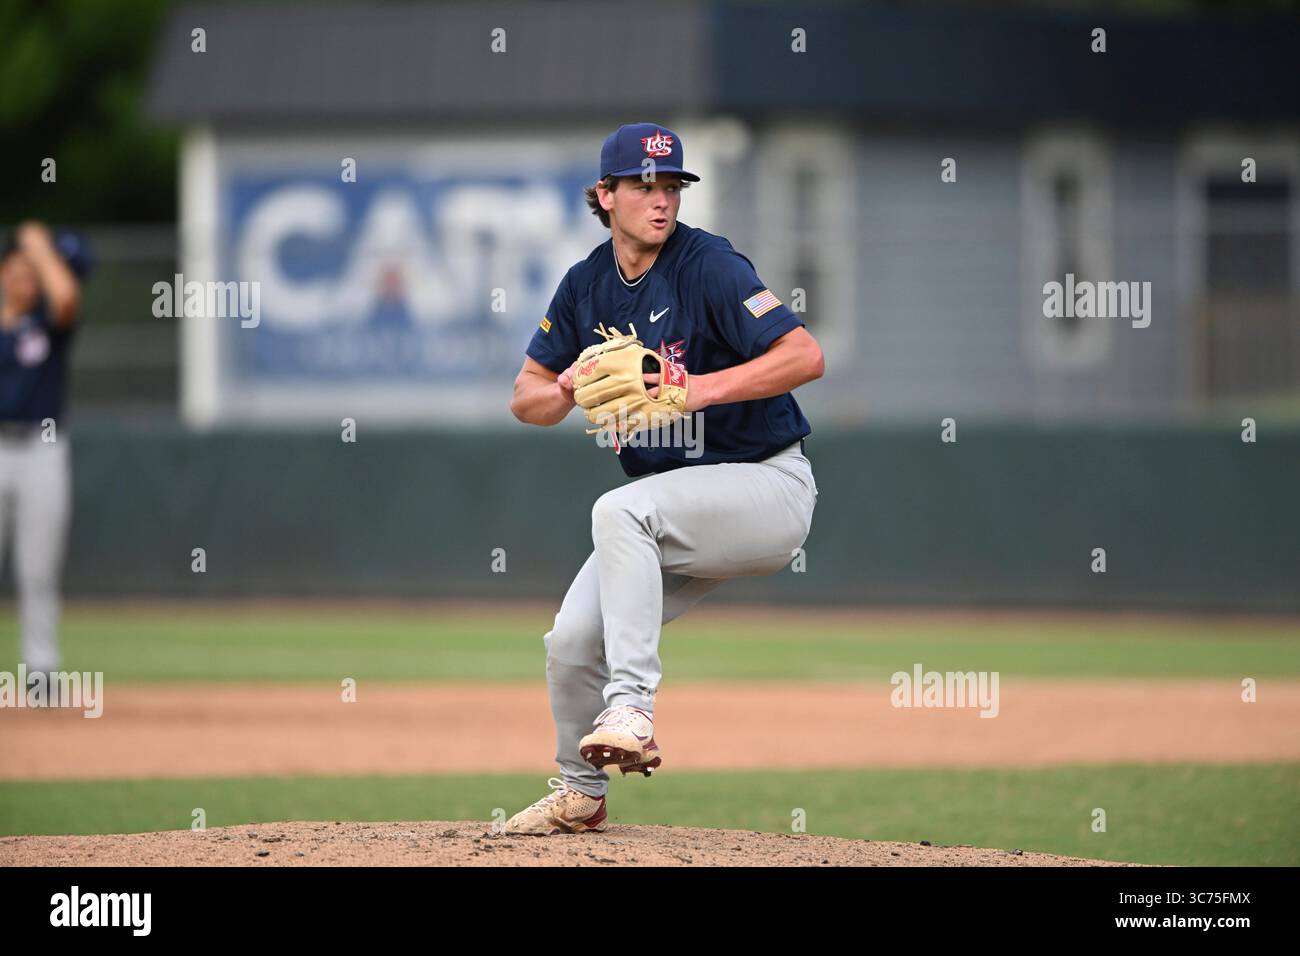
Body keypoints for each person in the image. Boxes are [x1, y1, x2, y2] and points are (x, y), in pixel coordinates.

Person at [505, 123, 823, 834]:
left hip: (766, 487)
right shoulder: (587, 285)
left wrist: (696, 388)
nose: (661, 199)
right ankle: (581, 792)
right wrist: (569, 384)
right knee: (568, 642)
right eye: (644, 185)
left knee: (620, 510)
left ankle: (632, 708)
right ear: (604, 195)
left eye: (671, 184)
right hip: (679, 512)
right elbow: (525, 395)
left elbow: (804, 355)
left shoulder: (708, 264)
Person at [0, 222, 87, 702]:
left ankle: (40, 675)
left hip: (42, 448)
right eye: (16, 272)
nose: (25, 281)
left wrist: (38, 247)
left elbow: (68, 296)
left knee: (38, 567)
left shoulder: (47, 326)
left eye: (32, 275)